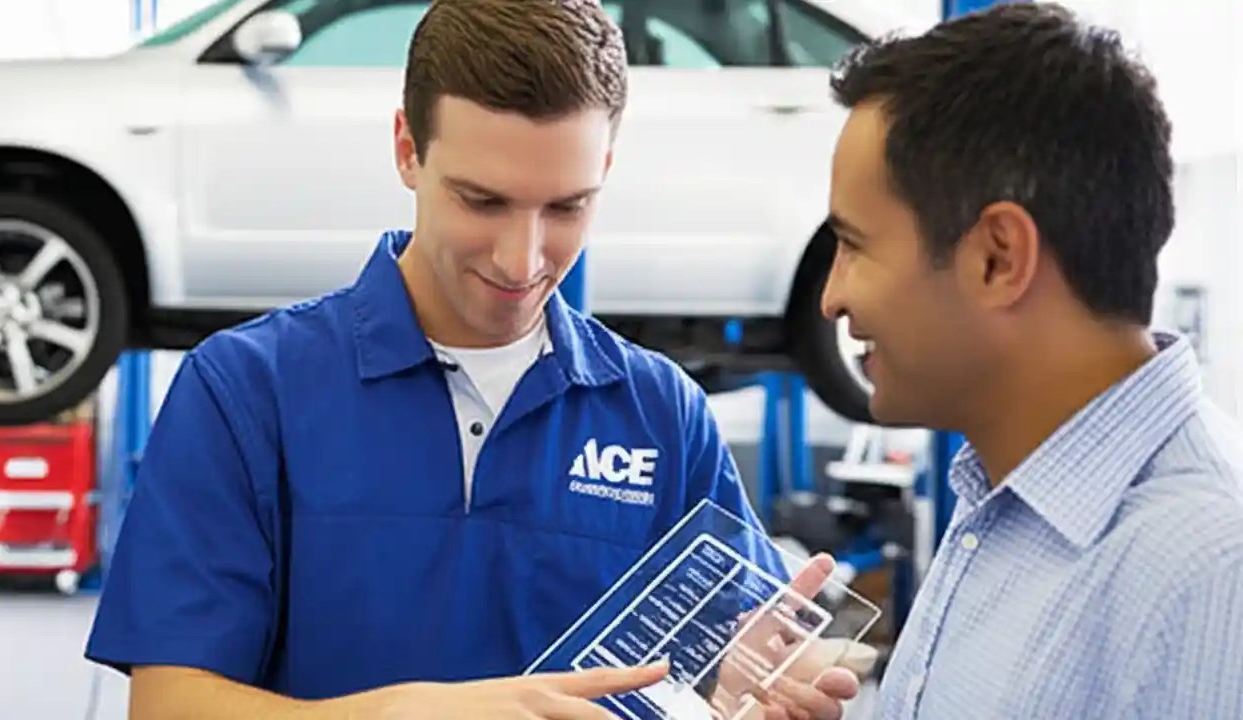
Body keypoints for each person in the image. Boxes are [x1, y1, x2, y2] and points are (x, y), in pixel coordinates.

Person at [84, 1, 862, 718]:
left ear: (606, 173)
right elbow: (168, 705)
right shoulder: (246, 393)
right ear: (406, 150)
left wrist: (743, 696)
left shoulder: (662, 416)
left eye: (566, 206)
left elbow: (722, 678)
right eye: (482, 201)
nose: (521, 259)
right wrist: (398, 715)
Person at [819, 3, 1243, 718]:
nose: (831, 299)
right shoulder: (1008, 500)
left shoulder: (1206, 574)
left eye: (855, 245)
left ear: (997, 258)